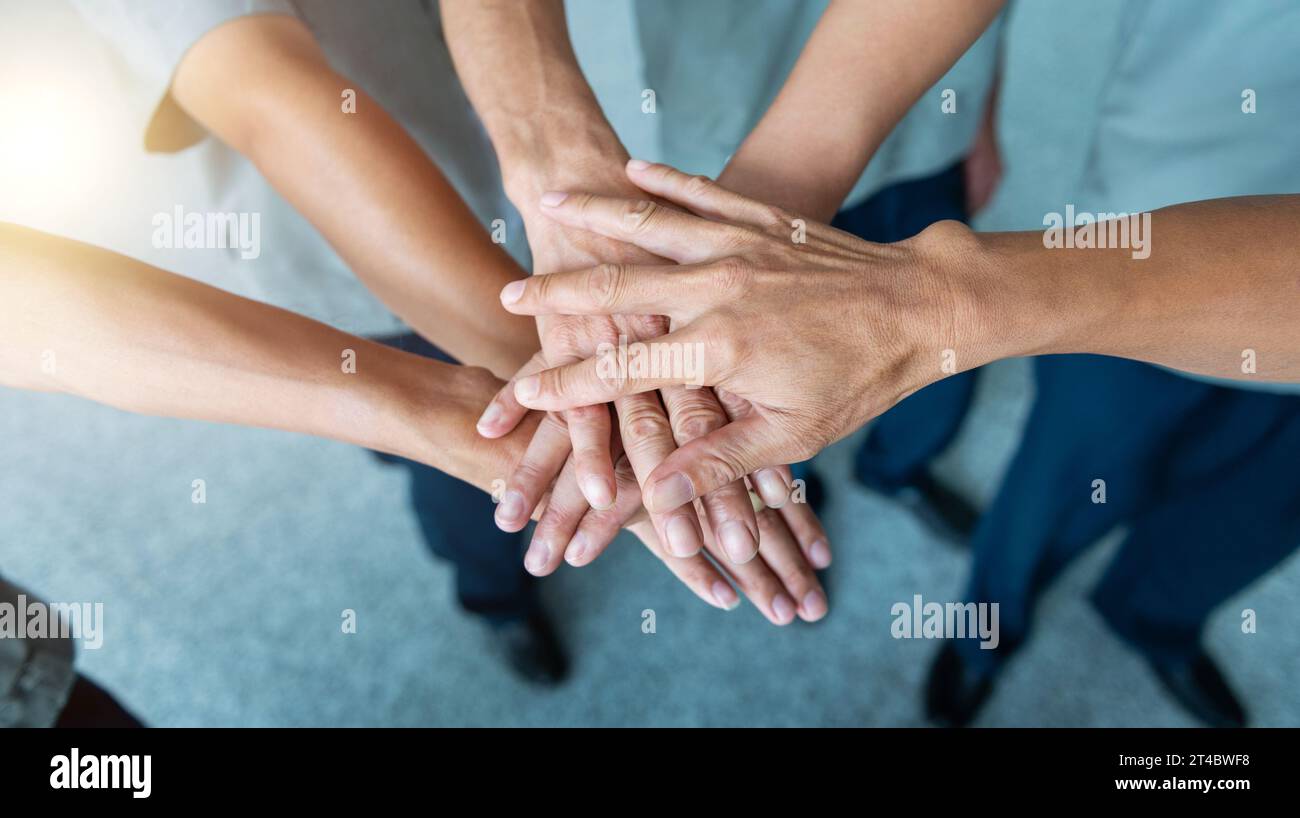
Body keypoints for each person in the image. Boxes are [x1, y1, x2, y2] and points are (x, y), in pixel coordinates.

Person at [67, 0, 831, 693]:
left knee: (560, 440)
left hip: (501, 186)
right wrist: (591, 385)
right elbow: (270, 98)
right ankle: (496, 604)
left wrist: (559, 172)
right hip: (365, 261)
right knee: (481, 469)